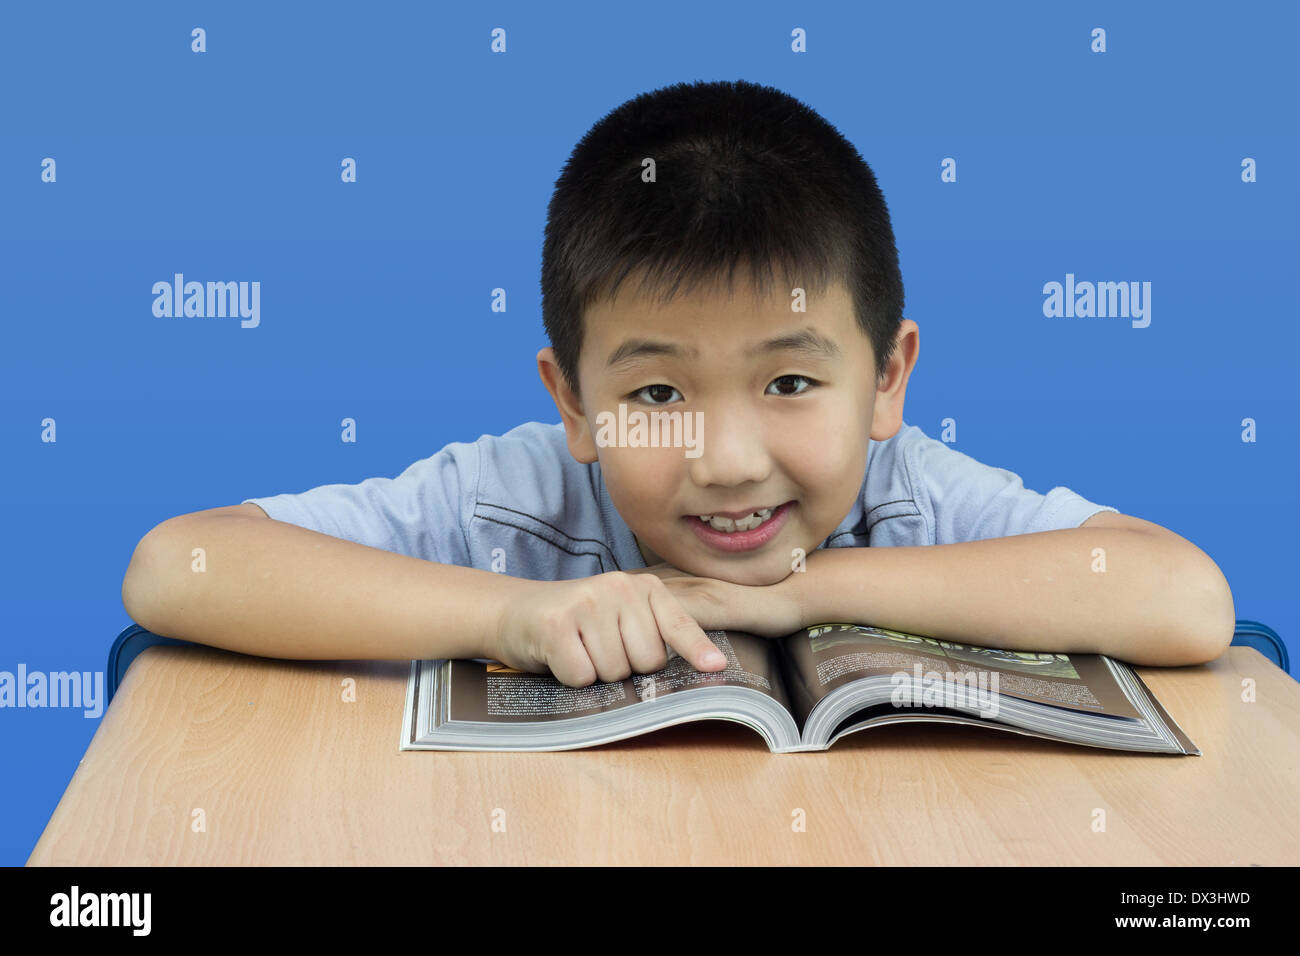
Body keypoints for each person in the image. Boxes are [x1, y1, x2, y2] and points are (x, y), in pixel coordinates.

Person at [122, 79, 1235, 687]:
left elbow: (1185, 601)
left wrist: (800, 594)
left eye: (791, 380)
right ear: (574, 405)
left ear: (887, 378)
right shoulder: (517, 504)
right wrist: (514, 611)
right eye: (657, 397)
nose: (729, 459)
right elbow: (181, 565)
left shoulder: (911, 495)